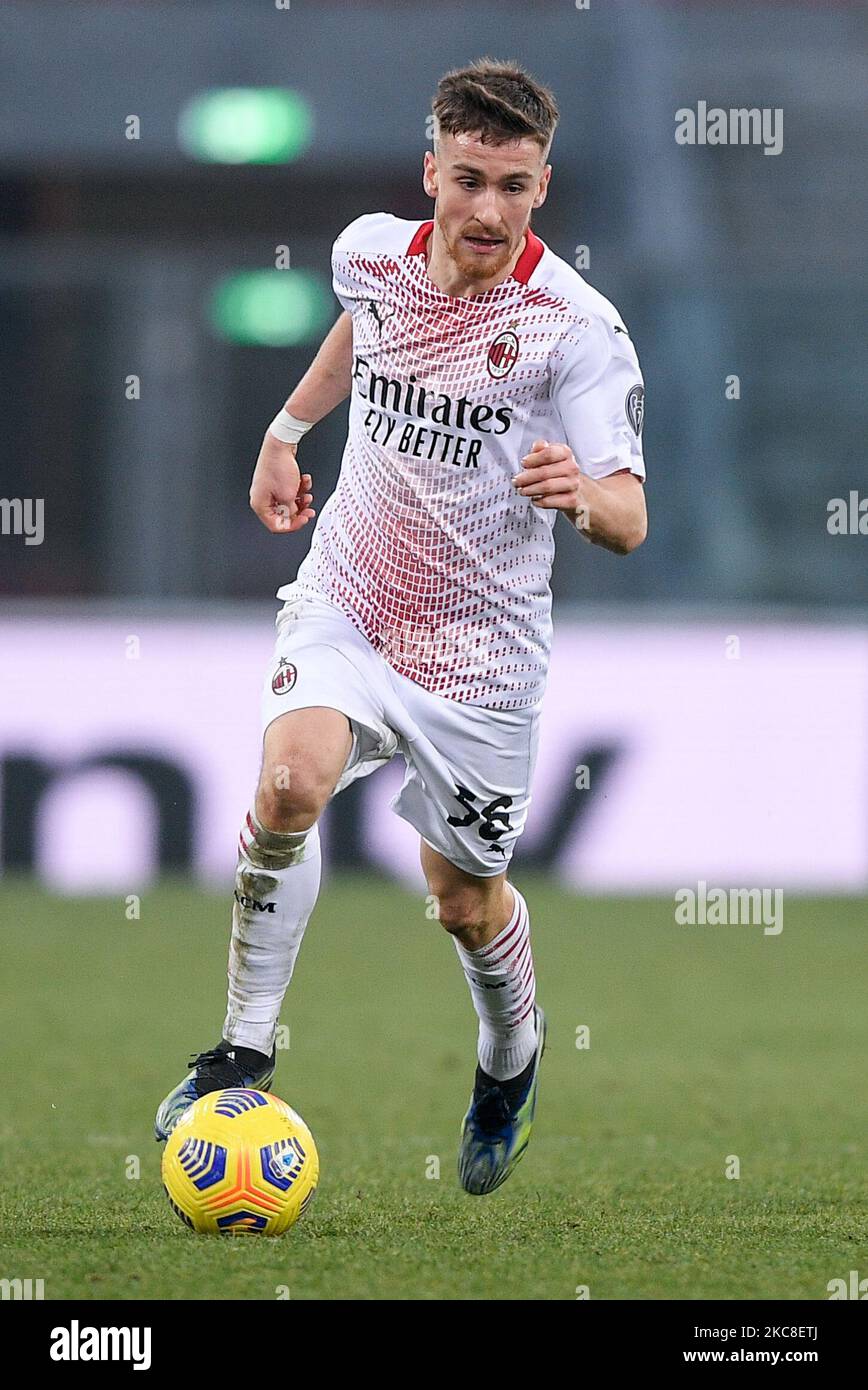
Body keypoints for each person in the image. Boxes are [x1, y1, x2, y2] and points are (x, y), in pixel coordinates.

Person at [155, 56, 647, 1196]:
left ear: (541, 188)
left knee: (461, 901)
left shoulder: (576, 329)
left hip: (481, 655)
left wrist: (584, 497)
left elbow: (630, 515)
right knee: (287, 788)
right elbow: (358, 330)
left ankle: (509, 1062)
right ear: (431, 171)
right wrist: (285, 429)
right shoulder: (371, 250)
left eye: (513, 186)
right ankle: (244, 1051)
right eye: (468, 178)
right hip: (352, 601)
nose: (487, 209)